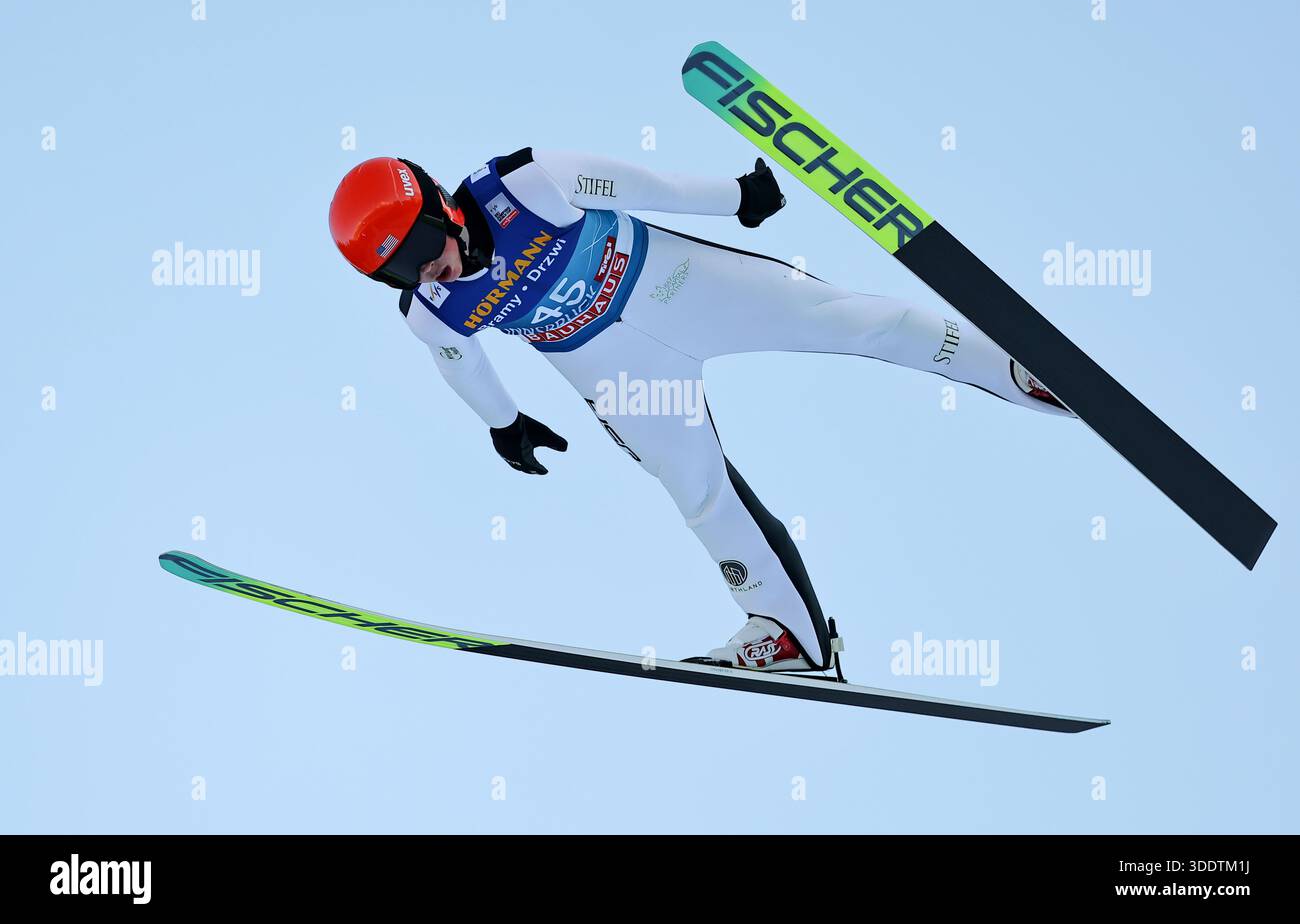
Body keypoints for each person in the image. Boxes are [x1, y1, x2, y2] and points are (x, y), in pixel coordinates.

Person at [328, 150, 1069, 673]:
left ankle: (1015, 367)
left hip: (679, 287)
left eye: (420, 246)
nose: (424, 270)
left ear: (439, 207)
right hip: (610, 367)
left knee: (849, 319)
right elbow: (460, 361)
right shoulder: (432, 309)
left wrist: (733, 196)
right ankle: (789, 636)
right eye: (393, 269)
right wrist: (504, 422)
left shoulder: (524, 185)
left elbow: (637, 180)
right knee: (697, 489)